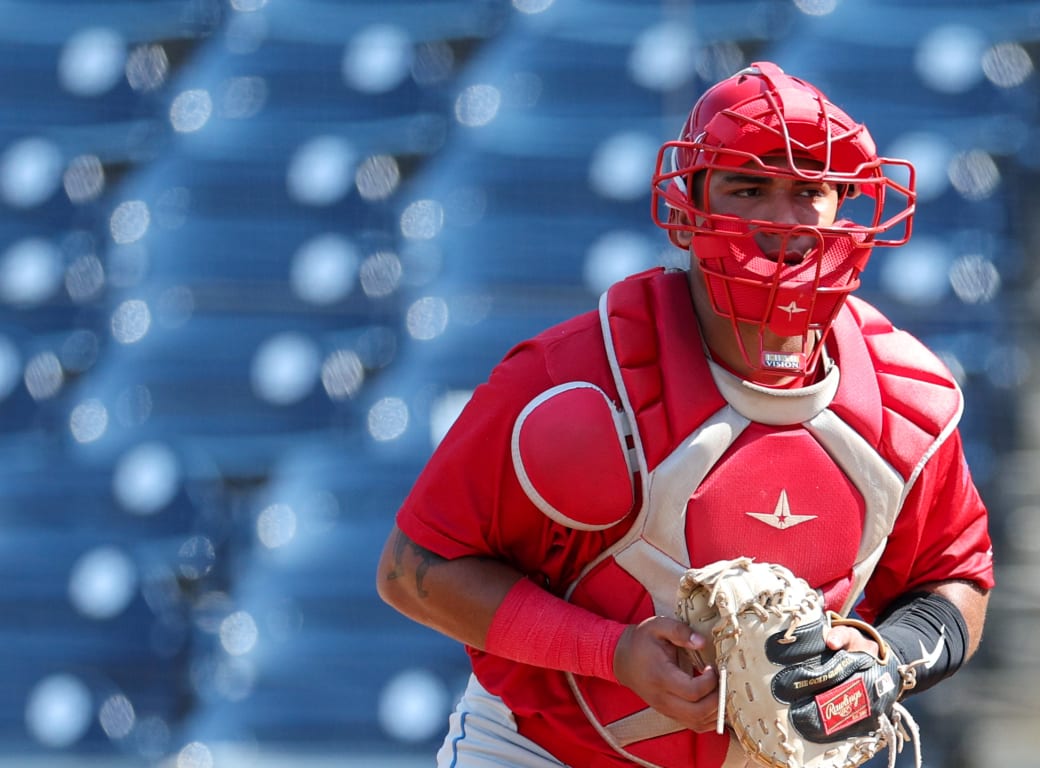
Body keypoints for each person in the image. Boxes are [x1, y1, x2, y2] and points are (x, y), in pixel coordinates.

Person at [377, 61, 995, 768]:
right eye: (749, 188)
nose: (783, 225)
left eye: (809, 192)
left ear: (844, 208)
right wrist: (612, 653)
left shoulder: (905, 399)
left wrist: (890, 660)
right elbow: (413, 570)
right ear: (688, 207)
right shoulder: (575, 380)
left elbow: (956, 578)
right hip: (546, 752)